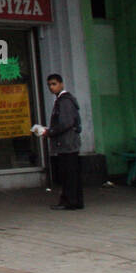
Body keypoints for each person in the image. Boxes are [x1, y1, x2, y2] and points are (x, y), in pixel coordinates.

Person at [42, 74, 84, 210]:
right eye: (49, 85)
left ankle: (70, 201)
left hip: (66, 143)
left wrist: (50, 132)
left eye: (54, 84)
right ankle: (74, 201)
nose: (51, 87)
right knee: (71, 173)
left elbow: (66, 122)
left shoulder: (64, 101)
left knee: (68, 174)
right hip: (69, 142)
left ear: (61, 84)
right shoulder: (64, 100)